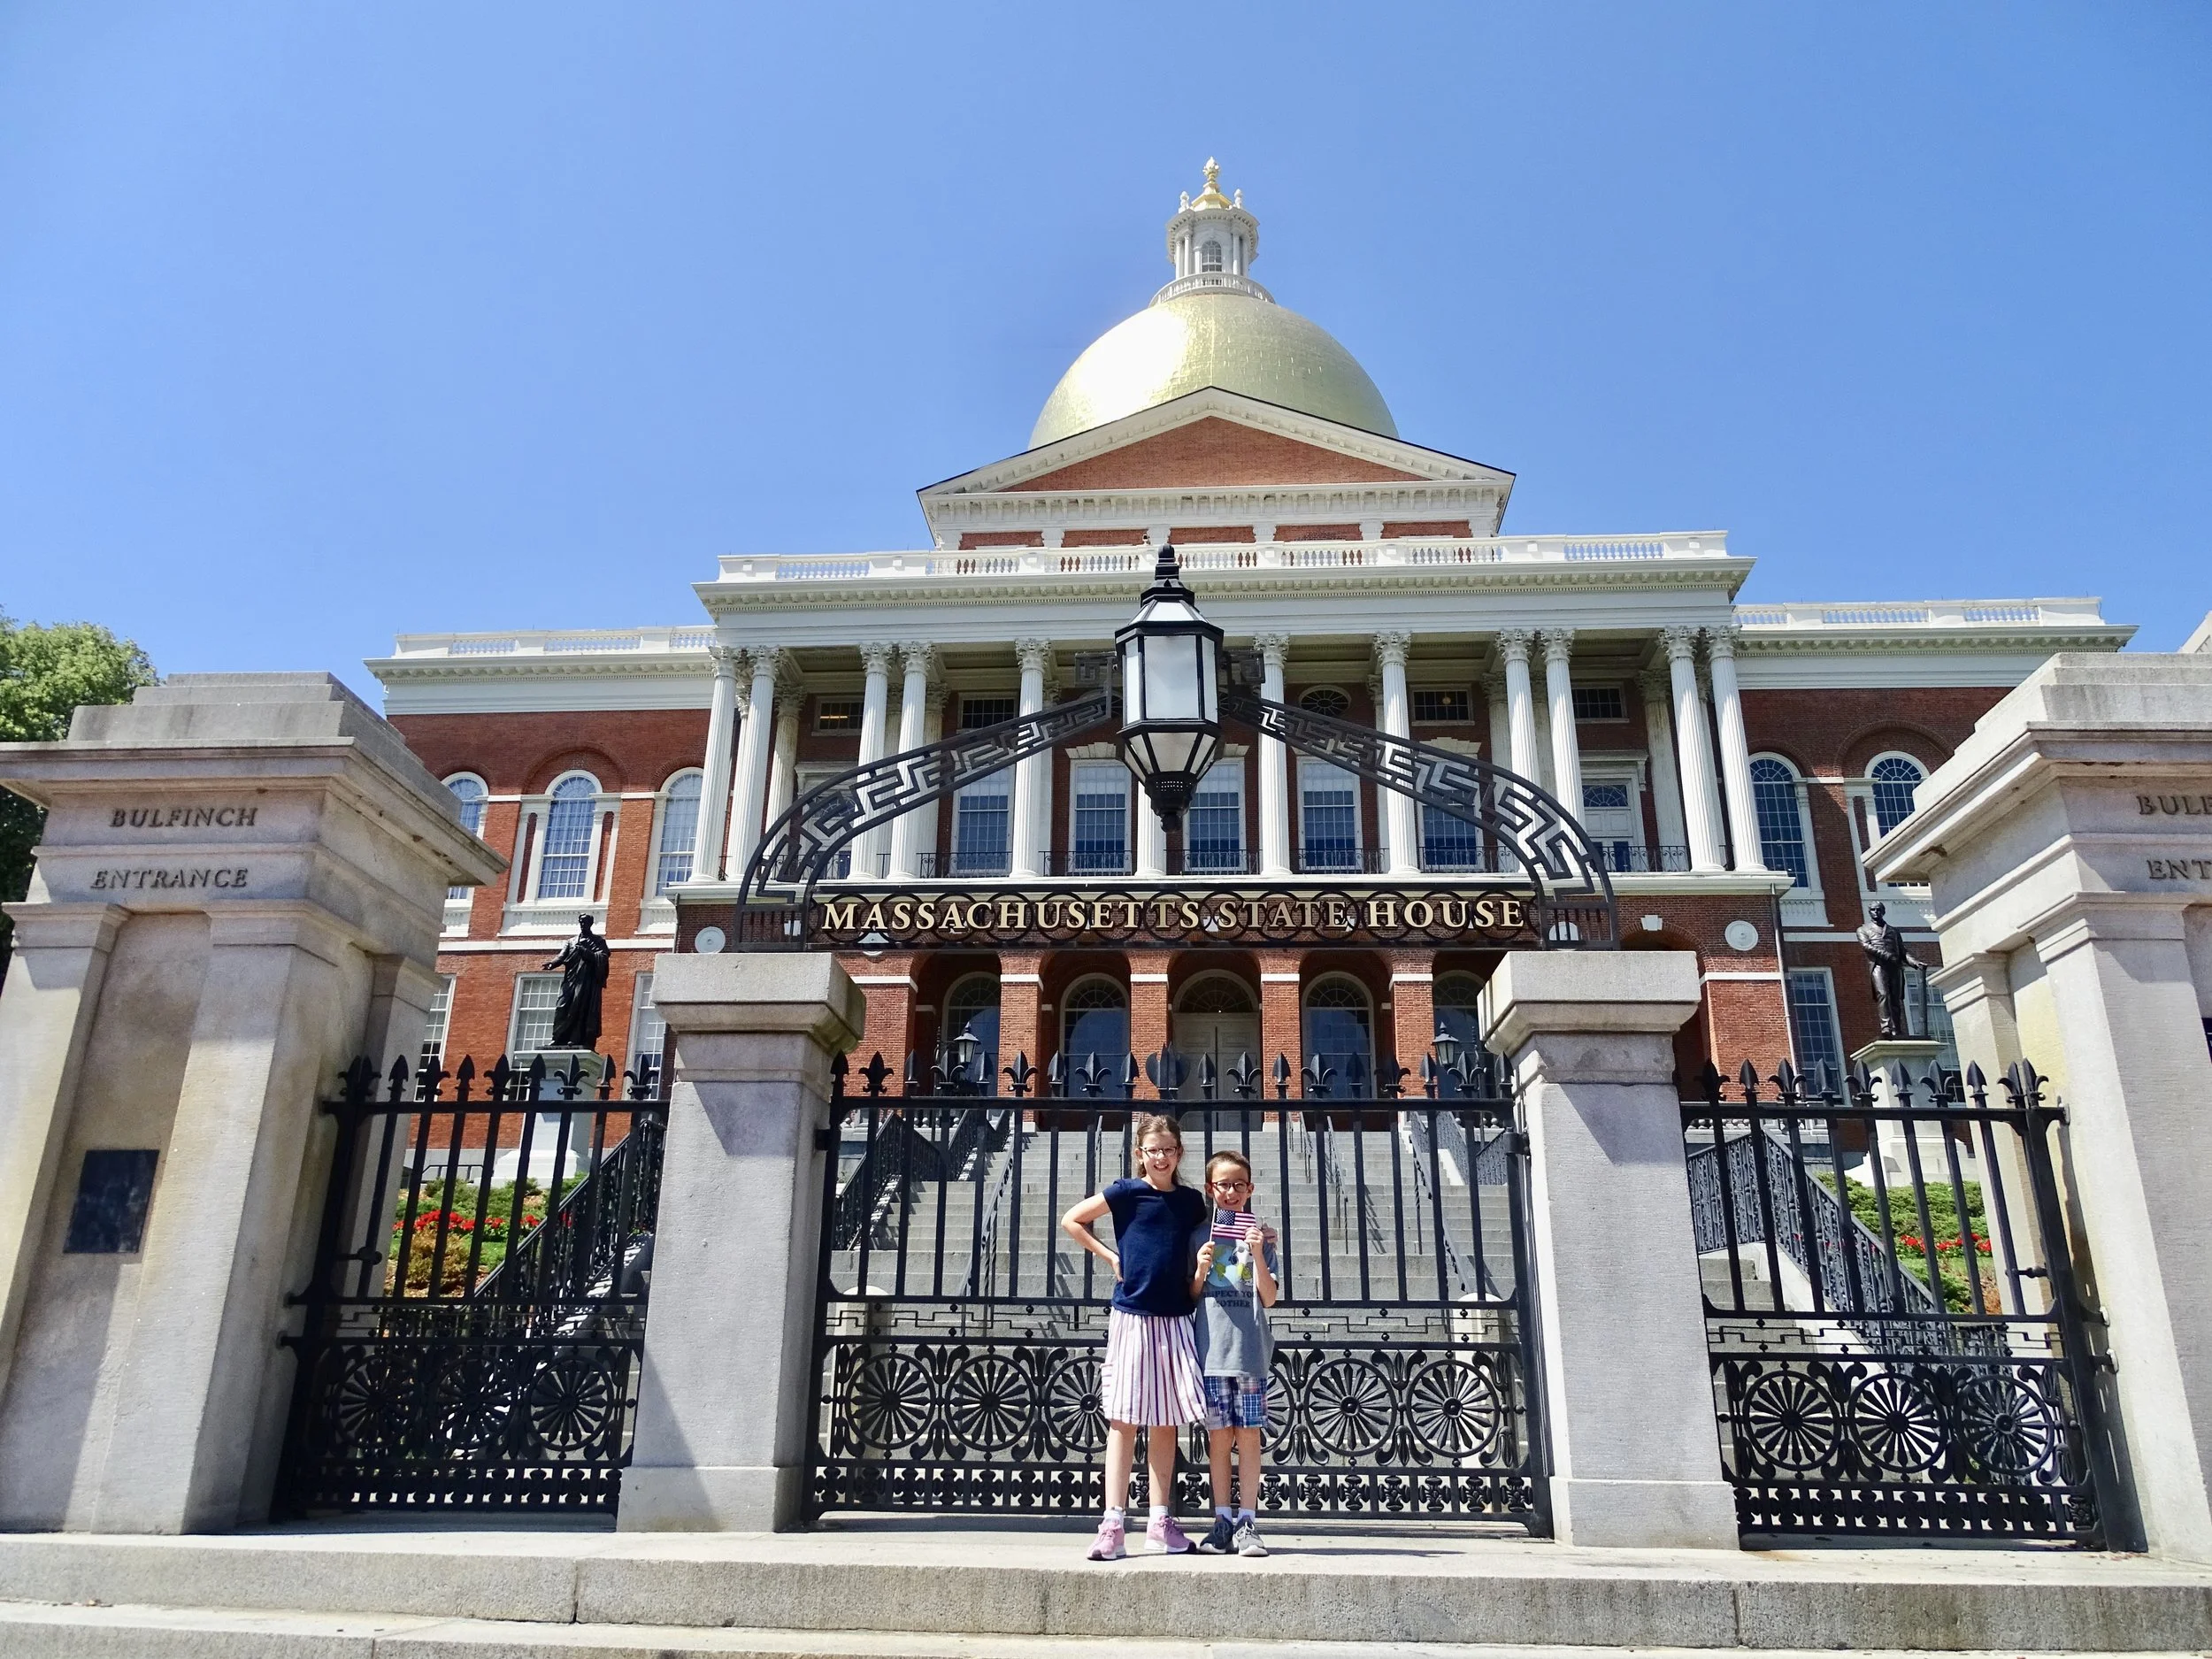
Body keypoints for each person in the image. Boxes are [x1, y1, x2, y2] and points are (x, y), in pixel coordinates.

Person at [1060, 1113, 1209, 1561]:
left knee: (1166, 1420)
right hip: (1133, 1314)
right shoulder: (1127, 1191)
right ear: (1140, 1154)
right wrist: (1109, 1256)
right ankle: (1113, 1523)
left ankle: (1160, 1521)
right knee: (1123, 1419)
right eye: (1153, 1150)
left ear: (1179, 1153)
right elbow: (1072, 1220)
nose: (1161, 1157)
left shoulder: (1191, 1201)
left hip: (1176, 1315)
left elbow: (1221, 1233)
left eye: (1168, 1150)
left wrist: (1265, 1236)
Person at [1192, 1149, 1278, 1558]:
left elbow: (1270, 1297)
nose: (1230, 1192)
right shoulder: (1200, 1236)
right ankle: (1222, 1519)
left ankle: (1248, 1520)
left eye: (1238, 1185)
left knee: (1249, 1435)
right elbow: (1191, 1294)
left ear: (1250, 1189)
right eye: (1223, 1185)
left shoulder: (1259, 1237)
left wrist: (1258, 1252)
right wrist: (1200, 1269)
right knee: (1219, 1437)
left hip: (1249, 1351)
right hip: (1212, 1350)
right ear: (1210, 1189)